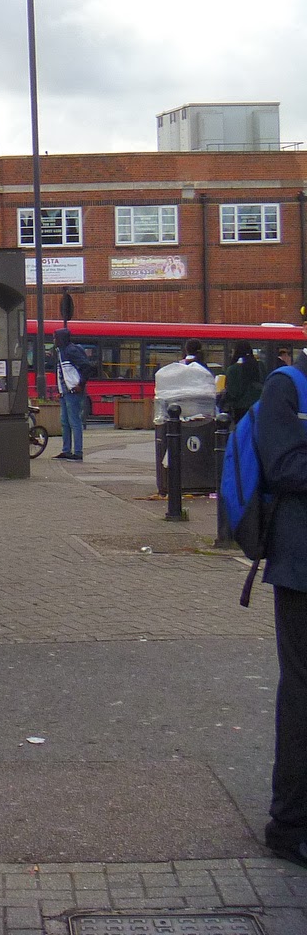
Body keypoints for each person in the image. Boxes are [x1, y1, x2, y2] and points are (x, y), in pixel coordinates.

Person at [251, 348, 307, 867]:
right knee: (303, 694)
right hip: (301, 569)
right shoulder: (286, 387)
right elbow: (286, 466)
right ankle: (289, 824)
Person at [54, 328, 91, 461]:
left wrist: (80, 384)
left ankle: (77, 452)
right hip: (65, 391)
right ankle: (67, 450)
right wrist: (60, 390)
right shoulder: (61, 352)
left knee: (74, 421)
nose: (54, 340)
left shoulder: (71, 351)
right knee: (65, 421)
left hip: (73, 391)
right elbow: (62, 373)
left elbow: (86, 366)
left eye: (55, 338)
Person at [223, 345, 264, 422]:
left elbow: (233, 392)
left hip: (240, 409)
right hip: (259, 407)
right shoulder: (260, 366)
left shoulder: (232, 369)